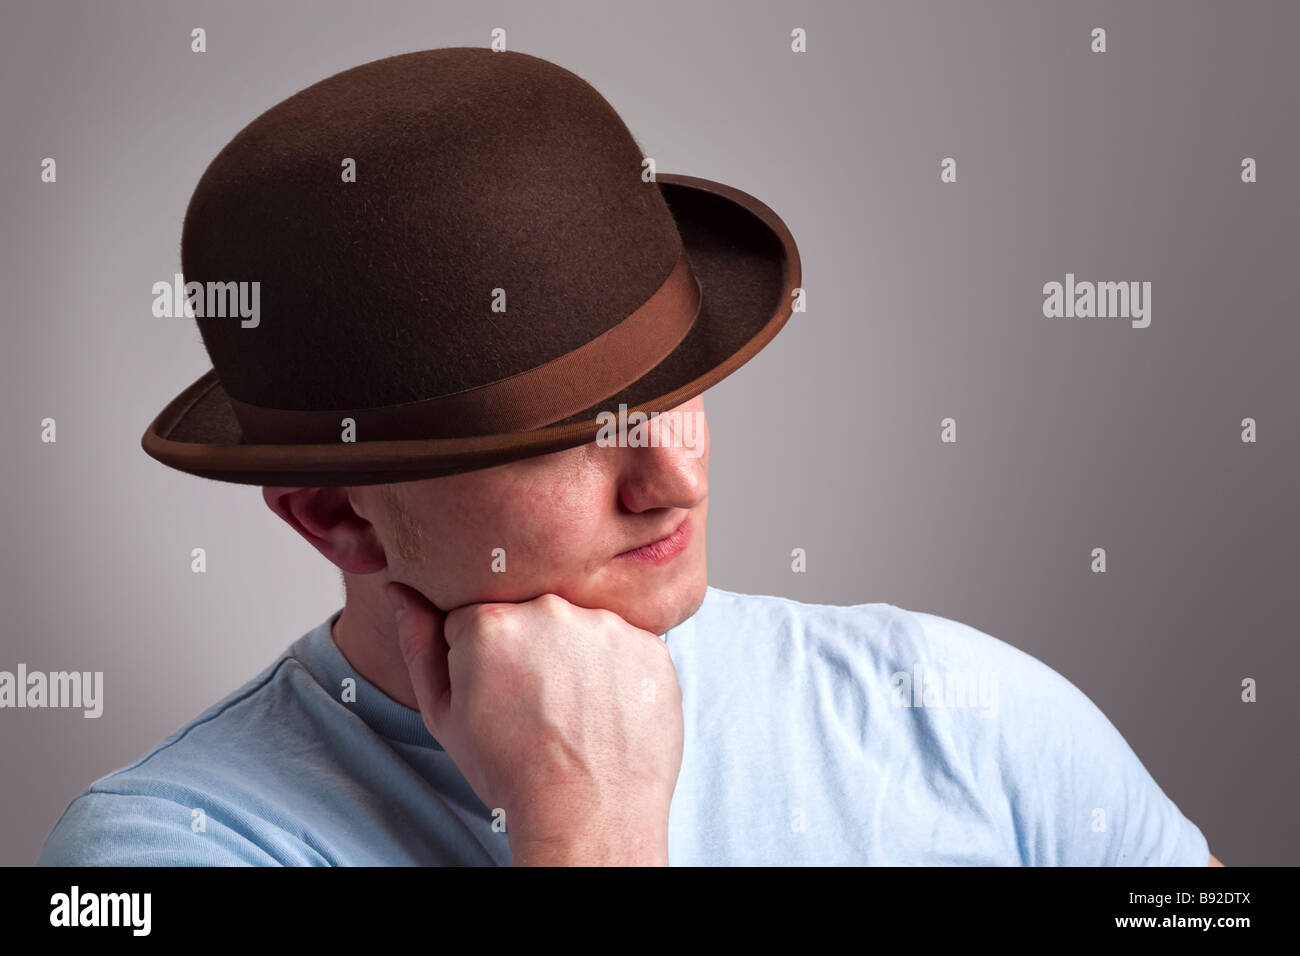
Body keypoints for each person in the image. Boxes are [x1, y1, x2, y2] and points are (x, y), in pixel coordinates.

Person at [38, 47, 1220, 866]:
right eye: (566, 434)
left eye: (677, 389)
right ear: (334, 517)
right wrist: (585, 821)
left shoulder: (965, 711)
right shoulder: (171, 846)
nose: (675, 475)